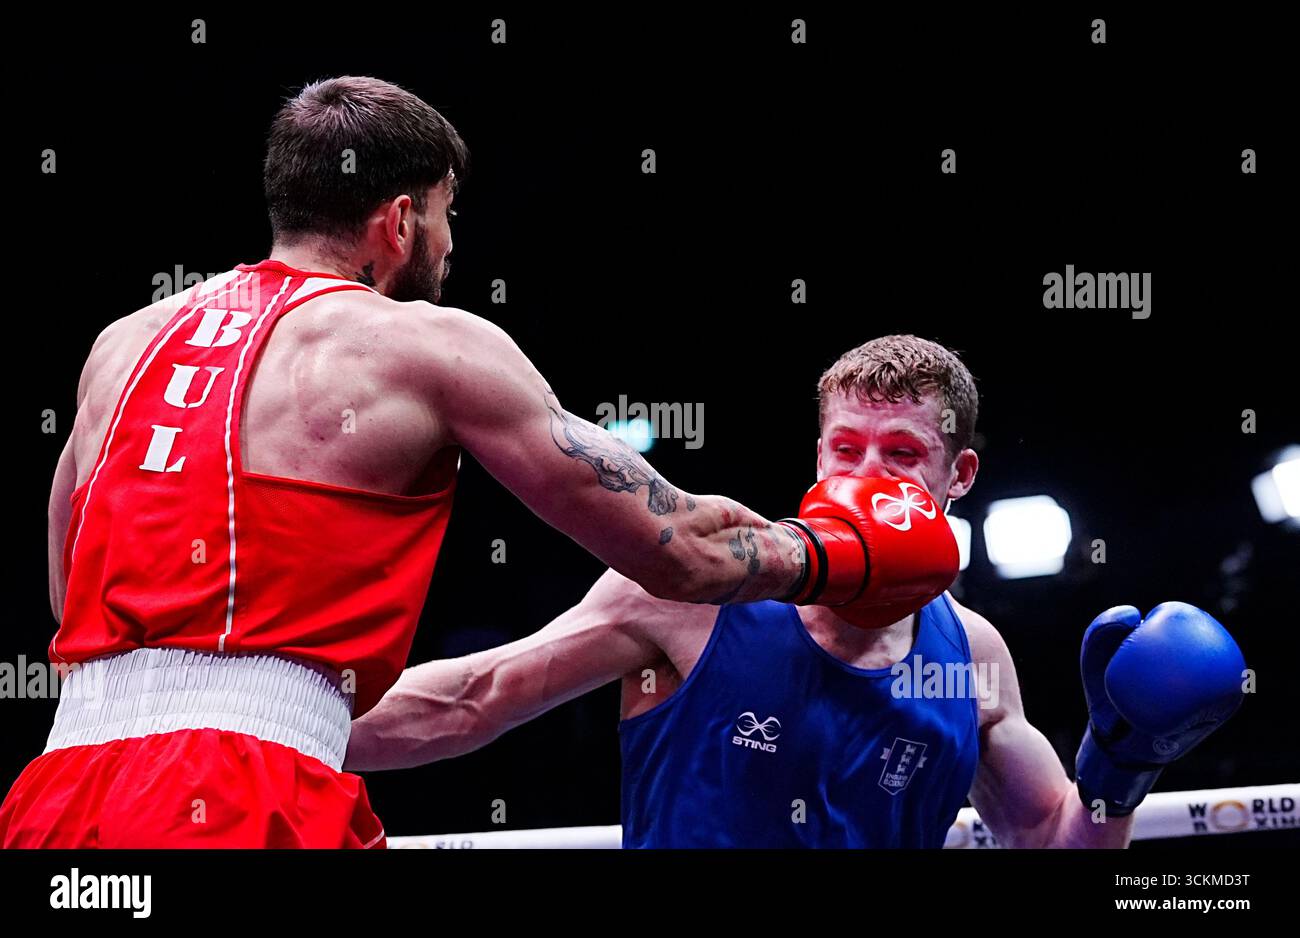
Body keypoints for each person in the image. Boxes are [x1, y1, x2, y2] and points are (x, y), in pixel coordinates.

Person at [0, 78, 951, 848]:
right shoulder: (427, 344)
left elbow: (64, 592)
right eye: (451, 217)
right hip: (248, 793)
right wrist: (842, 553)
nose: (453, 249)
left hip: (58, 791)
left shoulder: (122, 345)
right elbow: (680, 551)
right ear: (402, 220)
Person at [347, 335, 1247, 847]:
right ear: (816, 457)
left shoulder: (970, 656)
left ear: (958, 475)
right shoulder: (692, 593)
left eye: (901, 455)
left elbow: (1053, 837)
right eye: (845, 449)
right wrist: (267, 730)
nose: (866, 474)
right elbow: (474, 696)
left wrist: (1119, 775)